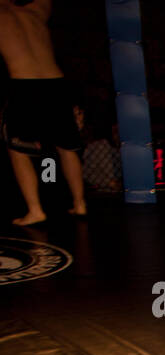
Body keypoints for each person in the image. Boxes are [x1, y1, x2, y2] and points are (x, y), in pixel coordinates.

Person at [0, 0, 88, 224]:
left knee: (17, 149)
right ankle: (80, 204)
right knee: (66, 147)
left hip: (24, 83)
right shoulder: (36, 11)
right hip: (56, 83)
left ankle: (35, 210)